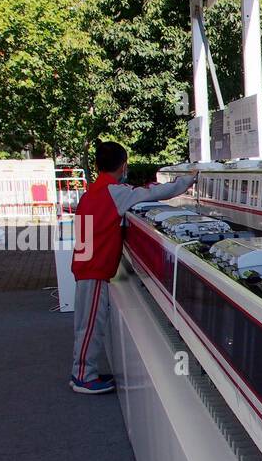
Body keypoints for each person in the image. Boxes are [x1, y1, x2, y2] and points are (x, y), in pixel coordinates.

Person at [70, 141, 196, 393]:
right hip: (95, 270)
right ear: (124, 164)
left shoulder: (91, 193)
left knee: (86, 321)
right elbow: (155, 194)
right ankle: (82, 375)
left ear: (97, 165)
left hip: (85, 266)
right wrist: (186, 181)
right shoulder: (115, 192)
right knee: (91, 324)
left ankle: (84, 371)